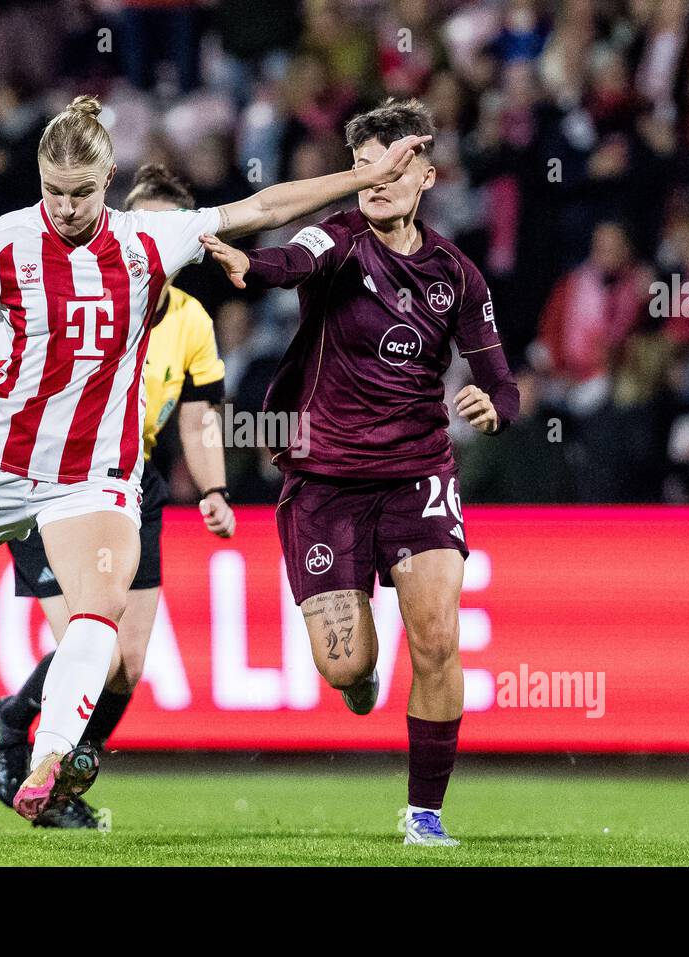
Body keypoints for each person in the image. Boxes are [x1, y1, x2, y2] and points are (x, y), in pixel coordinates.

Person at [0, 94, 431, 823]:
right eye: (54, 193)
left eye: (80, 194)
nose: (67, 208)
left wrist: (357, 182)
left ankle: (51, 756)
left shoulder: (148, 240)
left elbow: (263, 206)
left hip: (92, 476)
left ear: (107, 183)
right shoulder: (8, 242)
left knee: (100, 611)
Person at [201, 98, 519, 846]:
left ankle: (425, 811)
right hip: (327, 480)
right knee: (347, 669)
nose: (377, 180)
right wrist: (251, 263)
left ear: (425, 176)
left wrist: (494, 406)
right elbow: (291, 260)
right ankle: (361, 678)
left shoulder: (457, 273)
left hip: (418, 474)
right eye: (365, 167)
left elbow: (501, 378)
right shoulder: (339, 239)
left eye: (393, 165)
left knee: (438, 639)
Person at [0, 164, 235, 828]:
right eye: (135, 220)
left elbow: (200, 409)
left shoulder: (191, 320)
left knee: (127, 664)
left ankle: (62, 762)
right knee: (91, 644)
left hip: (131, 480)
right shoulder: (82, 287)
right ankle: (22, 737)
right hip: (50, 475)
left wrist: (213, 486)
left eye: (161, 226)